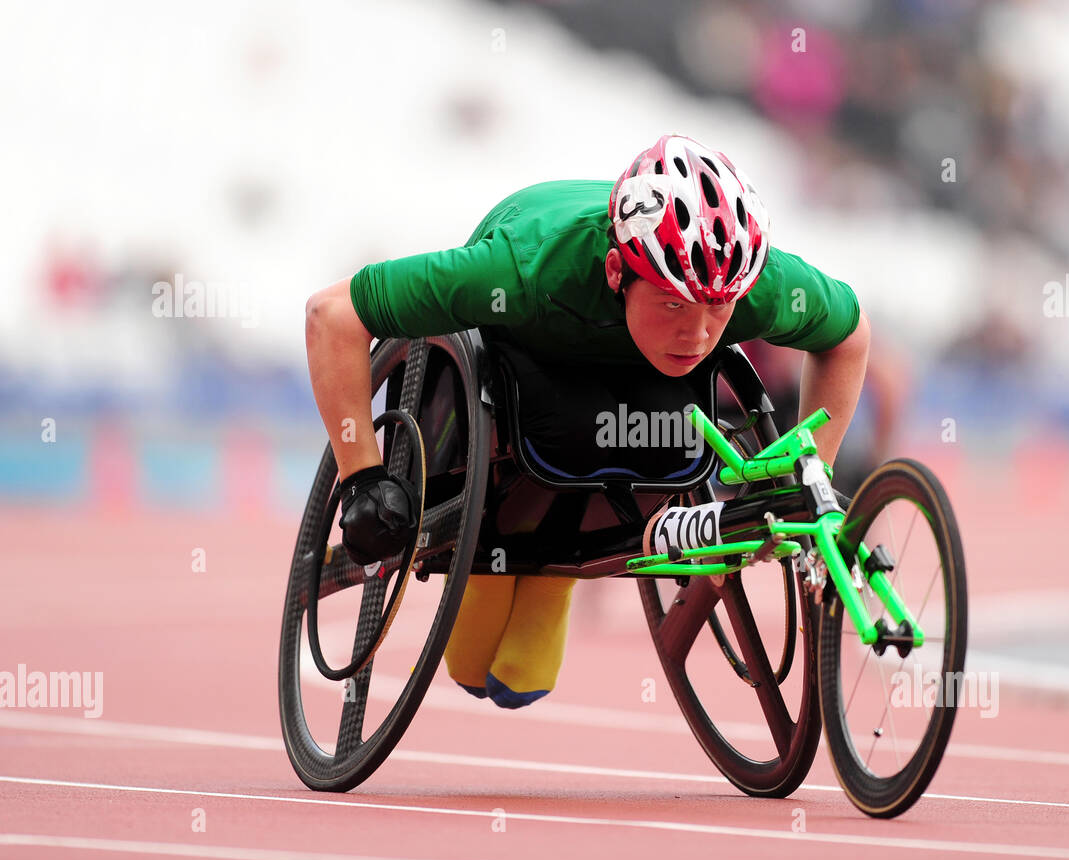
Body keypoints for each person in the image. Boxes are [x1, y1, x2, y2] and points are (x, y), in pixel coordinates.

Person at [304, 133, 870, 708]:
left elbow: (850, 338)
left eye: (717, 310)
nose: (698, 333)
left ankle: (558, 568)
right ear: (617, 271)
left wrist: (811, 467)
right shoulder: (517, 270)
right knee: (473, 666)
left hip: (632, 380)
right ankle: (507, 546)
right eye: (674, 304)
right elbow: (332, 317)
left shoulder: (749, 281)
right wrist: (362, 479)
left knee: (515, 676)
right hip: (535, 318)